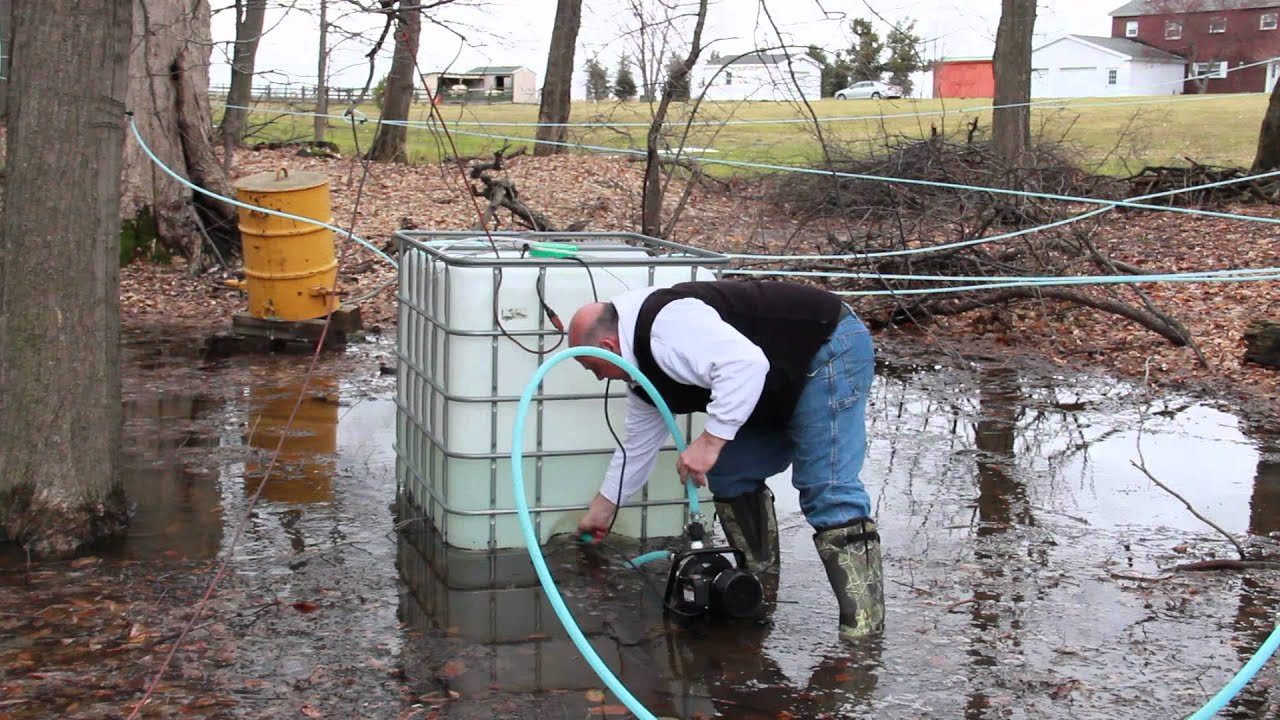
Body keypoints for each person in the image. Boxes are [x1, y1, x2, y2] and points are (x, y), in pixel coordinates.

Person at [566, 279, 883, 639]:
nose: (600, 378)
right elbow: (637, 447)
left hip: (826, 347)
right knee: (731, 474)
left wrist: (710, 442)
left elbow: (745, 364)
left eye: (594, 368)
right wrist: (603, 509)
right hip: (776, 374)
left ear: (608, 347)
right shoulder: (641, 376)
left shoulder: (667, 327)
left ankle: (864, 635)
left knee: (827, 489)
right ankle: (757, 590)